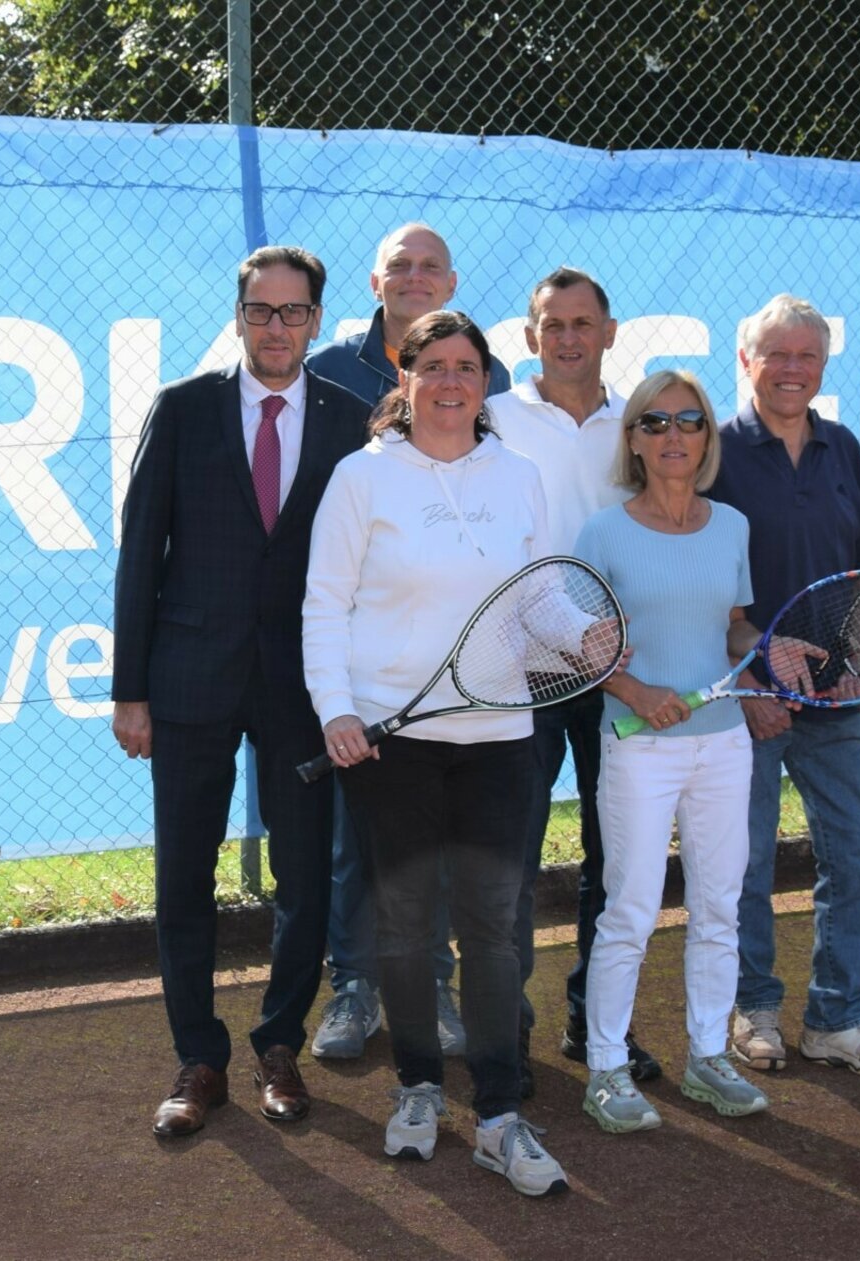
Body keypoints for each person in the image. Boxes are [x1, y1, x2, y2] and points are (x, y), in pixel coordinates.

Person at [305, 310, 568, 1196]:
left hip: (499, 740)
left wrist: (588, 635)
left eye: (468, 366)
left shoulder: (520, 476)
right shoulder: (361, 478)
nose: (453, 381)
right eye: (435, 366)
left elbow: (540, 600)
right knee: (405, 928)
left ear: (484, 380)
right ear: (405, 376)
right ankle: (418, 1085)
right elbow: (324, 605)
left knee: (494, 929)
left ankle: (498, 1114)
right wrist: (337, 710)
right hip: (391, 742)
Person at [113, 245, 368, 1138]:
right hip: (188, 682)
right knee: (184, 874)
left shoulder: (352, 419)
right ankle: (199, 1057)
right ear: (239, 315)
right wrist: (130, 690)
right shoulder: (183, 409)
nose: (275, 327)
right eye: (261, 310)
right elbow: (142, 550)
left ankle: (279, 1046)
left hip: (303, 687)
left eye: (293, 312)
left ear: (314, 320)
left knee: (305, 876)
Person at [305, 223, 509, 1062]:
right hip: (363, 673)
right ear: (375, 281)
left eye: (431, 268)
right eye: (401, 266)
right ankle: (355, 988)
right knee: (364, 850)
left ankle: (434, 989)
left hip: (472, 711)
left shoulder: (489, 398)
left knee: (446, 864)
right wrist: (335, 692)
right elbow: (327, 558)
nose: (416, 278)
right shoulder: (325, 375)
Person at [708, 295, 860, 1083]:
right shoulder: (714, 451)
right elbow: (709, 591)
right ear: (746, 361)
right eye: (777, 354)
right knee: (747, 862)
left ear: (823, 365)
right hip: (751, 701)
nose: (792, 369)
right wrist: (755, 676)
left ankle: (837, 1018)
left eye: (807, 355)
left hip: (838, 700)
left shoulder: (842, 447)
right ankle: (753, 1007)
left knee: (857, 857)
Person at [573, 370, 771, 1132]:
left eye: (688, 421)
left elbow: (734, 628)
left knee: (719, 905)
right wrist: (632, 689)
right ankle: (605, 1067)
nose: (672, 435)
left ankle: (707, 1057)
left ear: (707, 436)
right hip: (639, 748)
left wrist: (766, 651)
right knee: (629, 909)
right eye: (653, 423)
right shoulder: (604, 532)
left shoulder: (732, 527)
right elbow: (584, 647)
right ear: (633, 440)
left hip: (722, 745)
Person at [488, 266, 662, 1093]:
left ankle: (601, 1024)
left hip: (618, 678)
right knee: (511, 861)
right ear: (529, 338)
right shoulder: (490, 421)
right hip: (521, 673)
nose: (567, 337)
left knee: (616, 857)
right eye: (552, 324)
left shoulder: (638, 425)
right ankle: (505, 1032)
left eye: (582, 323)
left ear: (609, 331)